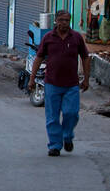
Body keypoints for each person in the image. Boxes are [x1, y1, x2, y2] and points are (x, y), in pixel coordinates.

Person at [30, 9, 90, 156]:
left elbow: (85, 57)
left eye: (67, 20)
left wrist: (86, 78)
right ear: (56, 21)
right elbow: (38, 58)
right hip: (52, 83)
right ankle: (55, 146)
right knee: (52, 117)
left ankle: (67, 136)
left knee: (72, 113)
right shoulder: (48, 37)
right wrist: (32, 79)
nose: (64, 23)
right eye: (62, 20)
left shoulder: (76, 37)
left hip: (71, 84)